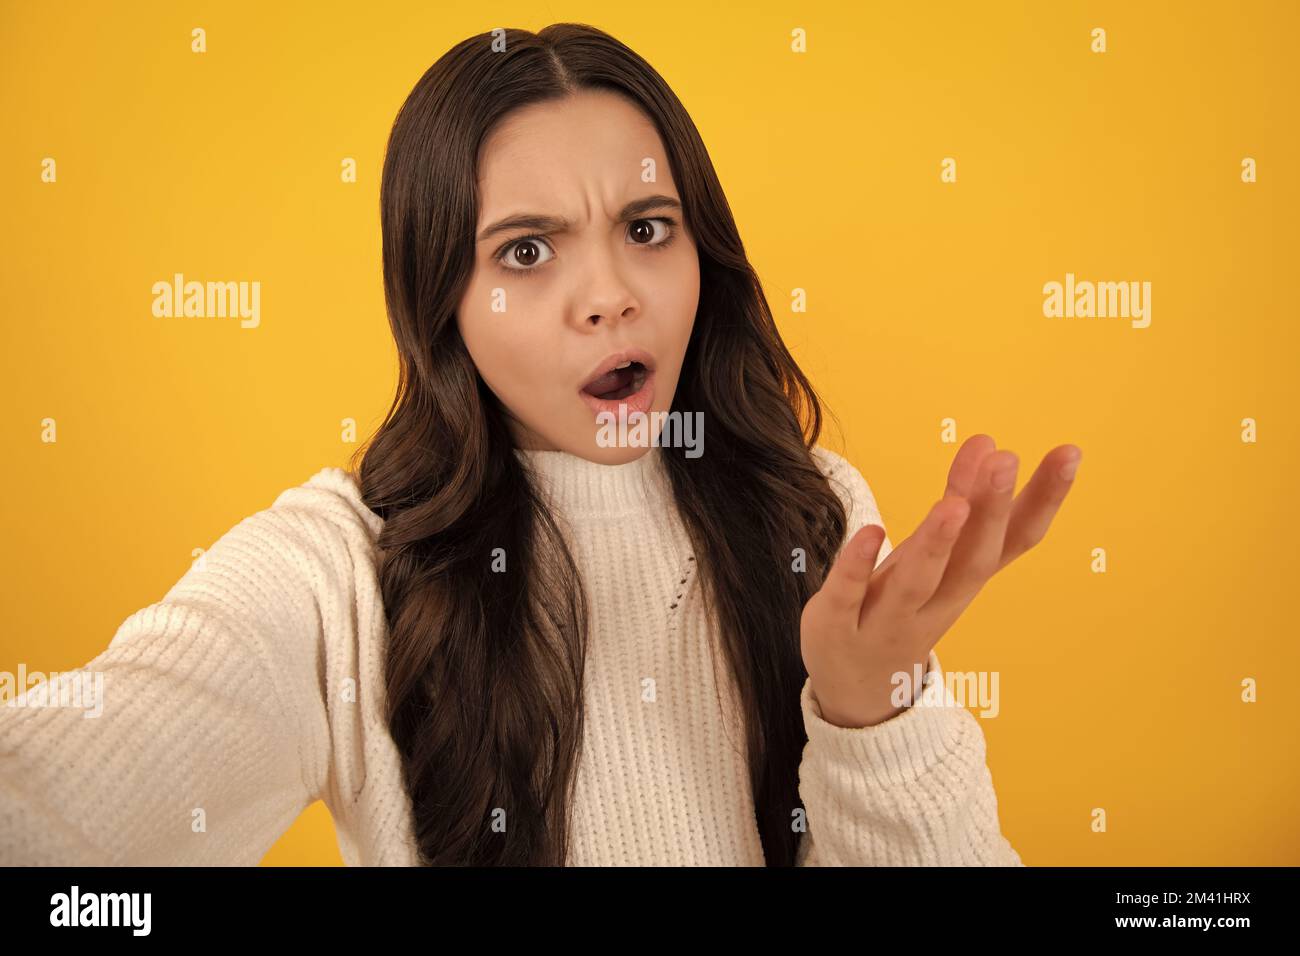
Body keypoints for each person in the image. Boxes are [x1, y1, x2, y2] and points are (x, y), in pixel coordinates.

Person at [0, 22, 1079, 866]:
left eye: (647, 228)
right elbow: (52, 804)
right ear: (442, 307)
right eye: (526, 250)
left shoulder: (814, 510)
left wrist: (869, 707)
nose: (610, 296)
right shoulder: (337, 574)